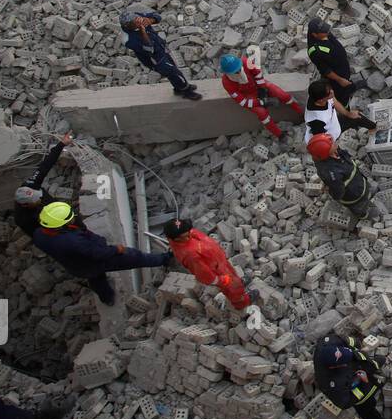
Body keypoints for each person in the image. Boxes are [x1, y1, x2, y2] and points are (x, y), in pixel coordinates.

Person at [32, 202, 170, 306]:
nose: (73, 218)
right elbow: (98, 254)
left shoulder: (39, 235)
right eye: (69, 219)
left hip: (77, 266)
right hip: (96, 261)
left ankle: (107, 298)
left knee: (96, 279)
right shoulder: (73, 241)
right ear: (60, 226)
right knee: (134, 257)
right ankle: (165, 258)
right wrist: (117, 250)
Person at [163, 218, 250, 310]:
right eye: (186, 234)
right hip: (218, 271)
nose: (190, 233)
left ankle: (238, 284)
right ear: (177, 238)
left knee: (234, 277)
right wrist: (221, 281)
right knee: (232, 288)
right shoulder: (190, 255)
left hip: (219, 262)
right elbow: (204, 275)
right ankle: (242, 303)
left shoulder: (186, 234)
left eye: (189, 231)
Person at [312, 334, 392, 419]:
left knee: (361, 360)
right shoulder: (331, 384)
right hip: (352, 388)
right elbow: (345, 403)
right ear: (334, 366)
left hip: (352, 366)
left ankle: (373, 365)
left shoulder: (329, 341)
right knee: (366, 406)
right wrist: (367, 383)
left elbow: (349, 341)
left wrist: (358, 346)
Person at [120, 9, 202, 100]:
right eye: (135, 22)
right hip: (154, 59)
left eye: (138, 19)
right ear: (128, 25)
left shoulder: (137, 16)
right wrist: (142, 30)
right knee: (173, 71)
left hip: (160, 48)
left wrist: (150, 20)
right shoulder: (128, 40)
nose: (139, 21)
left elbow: (157, 16)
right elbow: (149, 48)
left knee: (172, 69)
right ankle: (187, 91)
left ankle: (179, 88)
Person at [219, 53, 303, 139]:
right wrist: (262, 102)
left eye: (239, 68)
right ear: (227, 73)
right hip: (249, 96)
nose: (239, 72)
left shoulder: (246, 62)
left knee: (283, 95)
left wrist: (262, 88)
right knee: (262, 113)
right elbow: (243, 102)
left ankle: (301, 113)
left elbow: (257, 74)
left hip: (258, 86)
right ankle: (280, 135)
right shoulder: (227, 83)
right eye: (235, 71)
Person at [13, 132, 73, 237]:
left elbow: (46, 165)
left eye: (38, 195)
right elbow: (40, 236)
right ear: (26, 204)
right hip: (53, 225)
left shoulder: (31, 184)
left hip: (54, 208)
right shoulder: (23, 219)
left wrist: (62, 144)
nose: (39, 197)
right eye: (36, 199)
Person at [306, 18, 369, 110]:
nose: (327, 31)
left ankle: (350, 87)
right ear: (315, 34)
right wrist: (340, 80)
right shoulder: (315, 50)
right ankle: (345, 112)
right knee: (342, 93)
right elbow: (325, 70)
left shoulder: (324, 33)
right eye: (324, 31)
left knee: (346, 82)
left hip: (342, 66)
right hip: (336, 75)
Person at [307, 134, 372, 221]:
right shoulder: (330, 171)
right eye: (332, 144)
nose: (335, 143)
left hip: (359, 181)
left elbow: (345, 155)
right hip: (354, 195)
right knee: (359, 207)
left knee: (364, 193)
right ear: (325, 152)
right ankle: (363, 216)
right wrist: (334, 195)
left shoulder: (334, 152)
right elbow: (338, 190)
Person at [304, 80, 375, 143]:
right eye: (329, 92)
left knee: (357, 117)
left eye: (330, 89)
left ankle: (374, 129)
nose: (332, 92)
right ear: (321, 100)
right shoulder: (317, 120)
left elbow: (334, 101)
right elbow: (321, 140)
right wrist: (331, 148)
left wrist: (348, 114)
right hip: (328, 137)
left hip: (333, 123)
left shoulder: (317, 96)